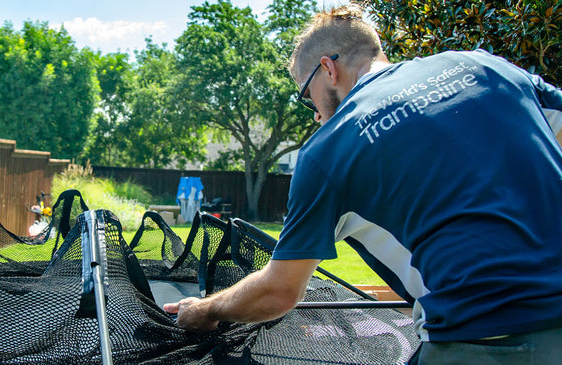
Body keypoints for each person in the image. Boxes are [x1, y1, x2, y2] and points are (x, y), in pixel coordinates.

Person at [163, 4, 562, 364]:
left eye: (307, 97)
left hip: (481, 337)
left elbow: (279, 291)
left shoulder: (329, 149)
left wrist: (207, 310)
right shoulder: (485, 66)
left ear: (328, 69)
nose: (315, 115)